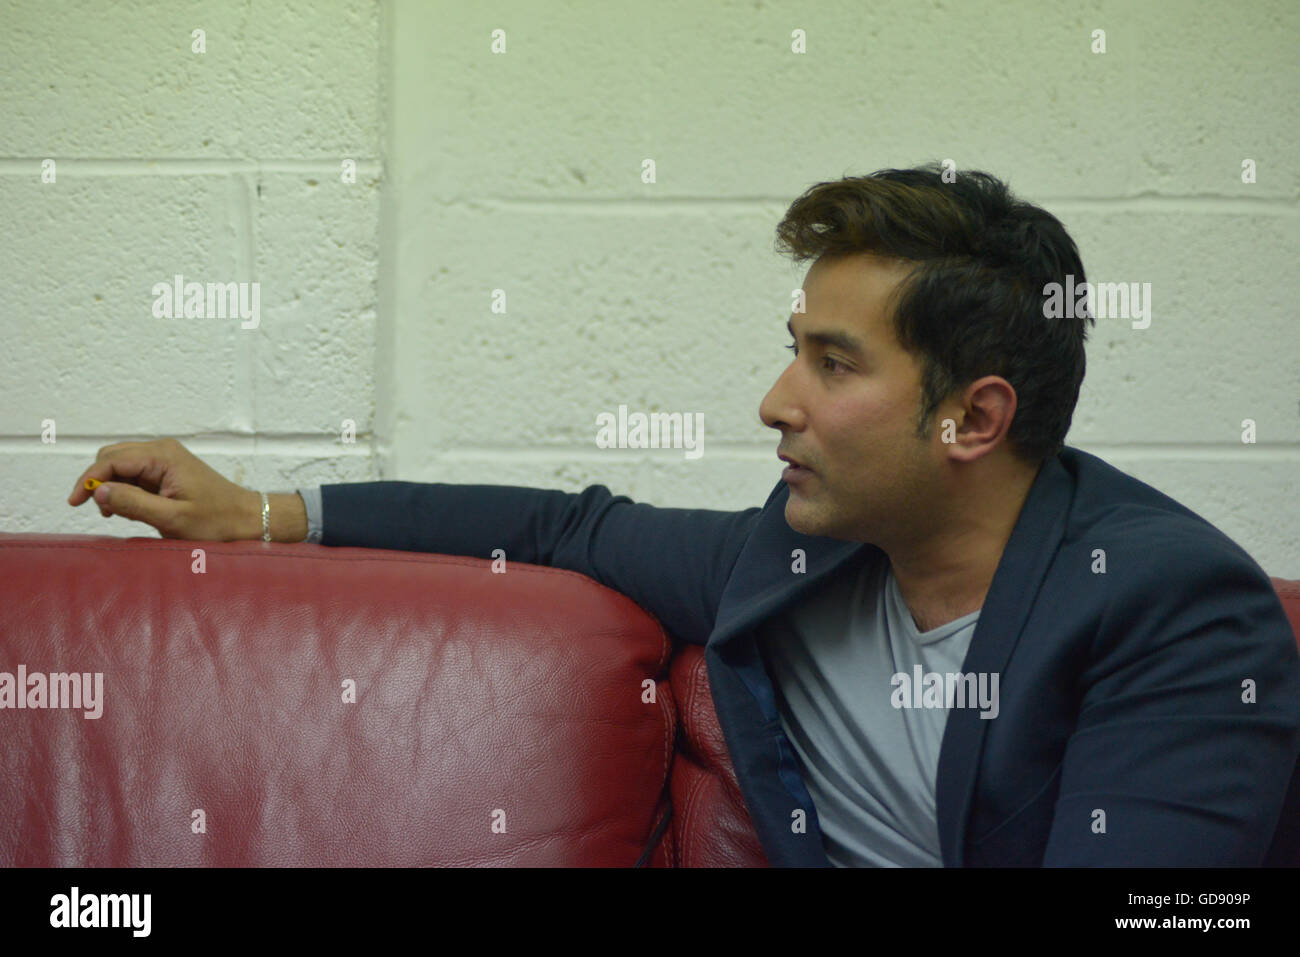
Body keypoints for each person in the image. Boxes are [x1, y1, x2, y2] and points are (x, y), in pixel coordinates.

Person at [67, 163, 1300, 866]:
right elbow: (563, 529)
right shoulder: (799, 557)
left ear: (969, 420)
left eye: (832, 363)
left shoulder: (1172, 608)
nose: (775, 404)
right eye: (791, 352)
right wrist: (259, 516)